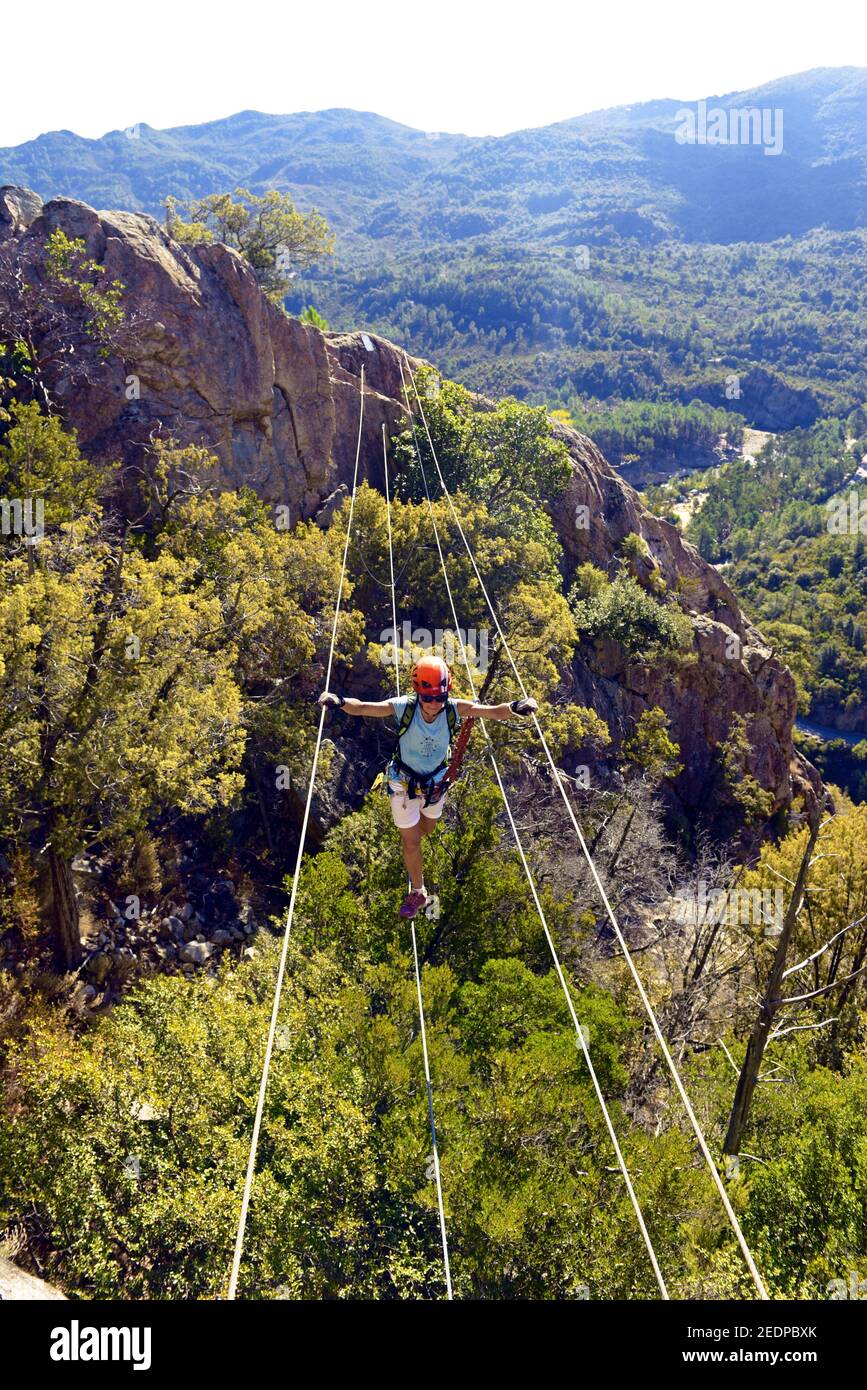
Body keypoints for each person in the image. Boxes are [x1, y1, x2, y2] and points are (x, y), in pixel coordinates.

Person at [319, 655, 538, 918]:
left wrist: (516, 707)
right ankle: (418, 892)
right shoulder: (404, 707)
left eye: (439, 698)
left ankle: (412, 842)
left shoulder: (453, 709)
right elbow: (365, 707)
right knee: (411, 842)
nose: (434, 704)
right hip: (403, 782)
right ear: (418, 693)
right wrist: (340, 702)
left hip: (435, 784)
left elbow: (491, 711)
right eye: (428, 698)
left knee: (427, 830)